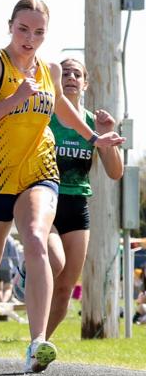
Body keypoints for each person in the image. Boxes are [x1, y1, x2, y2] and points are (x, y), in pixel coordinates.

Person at [0, 0, 123, 373]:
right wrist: (14, 100)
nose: (30, 39)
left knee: (35, 237)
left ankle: (37, 343)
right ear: (10, 26)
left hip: (39, 172)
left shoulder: (49, 68)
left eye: (39, 32)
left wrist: (93, 138)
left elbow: (63, 107)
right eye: (23, 30)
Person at [45, 58, 124, 339]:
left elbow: (115, 172)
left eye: (76, 74)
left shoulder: (93, 122)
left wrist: (104, 134)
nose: (70, 77)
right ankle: (25, 273)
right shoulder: (47, 116)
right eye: (65, 73)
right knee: (54, 261)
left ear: (85, 83)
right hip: (46, 201)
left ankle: (39, 343)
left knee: (66, 287)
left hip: (77, 204)